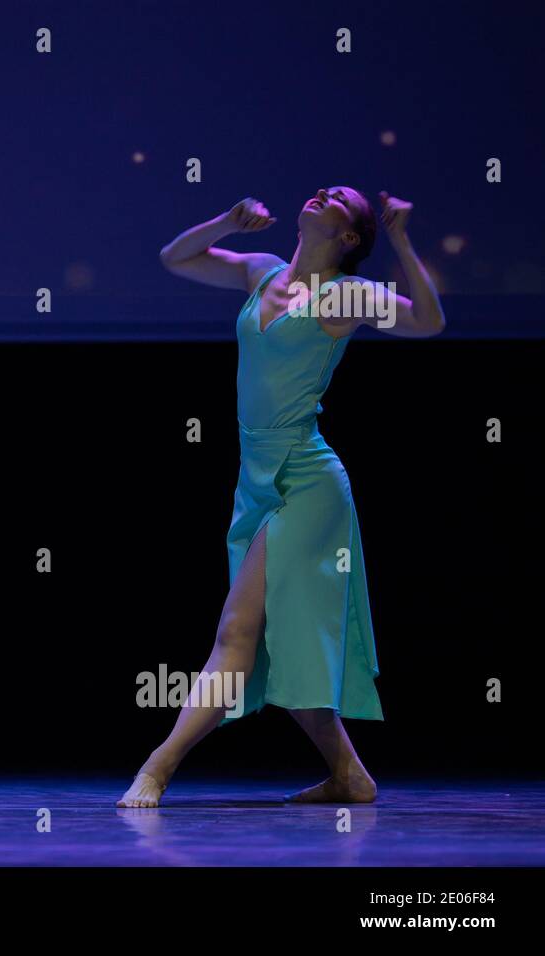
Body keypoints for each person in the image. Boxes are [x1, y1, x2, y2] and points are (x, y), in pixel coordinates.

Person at [118, 187, 446, 808]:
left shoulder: (344, 295)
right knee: (283, 648)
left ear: (348, 237)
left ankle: (157, 768)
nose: (321, 194)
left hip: (306, 480)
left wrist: (401, 241)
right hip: (255, 478)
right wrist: (226, 222)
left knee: (236, 631)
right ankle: (349, 775)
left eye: (338, 200)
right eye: (321, 189)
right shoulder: (263, 270)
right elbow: (174, 257)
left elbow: (428, 322)